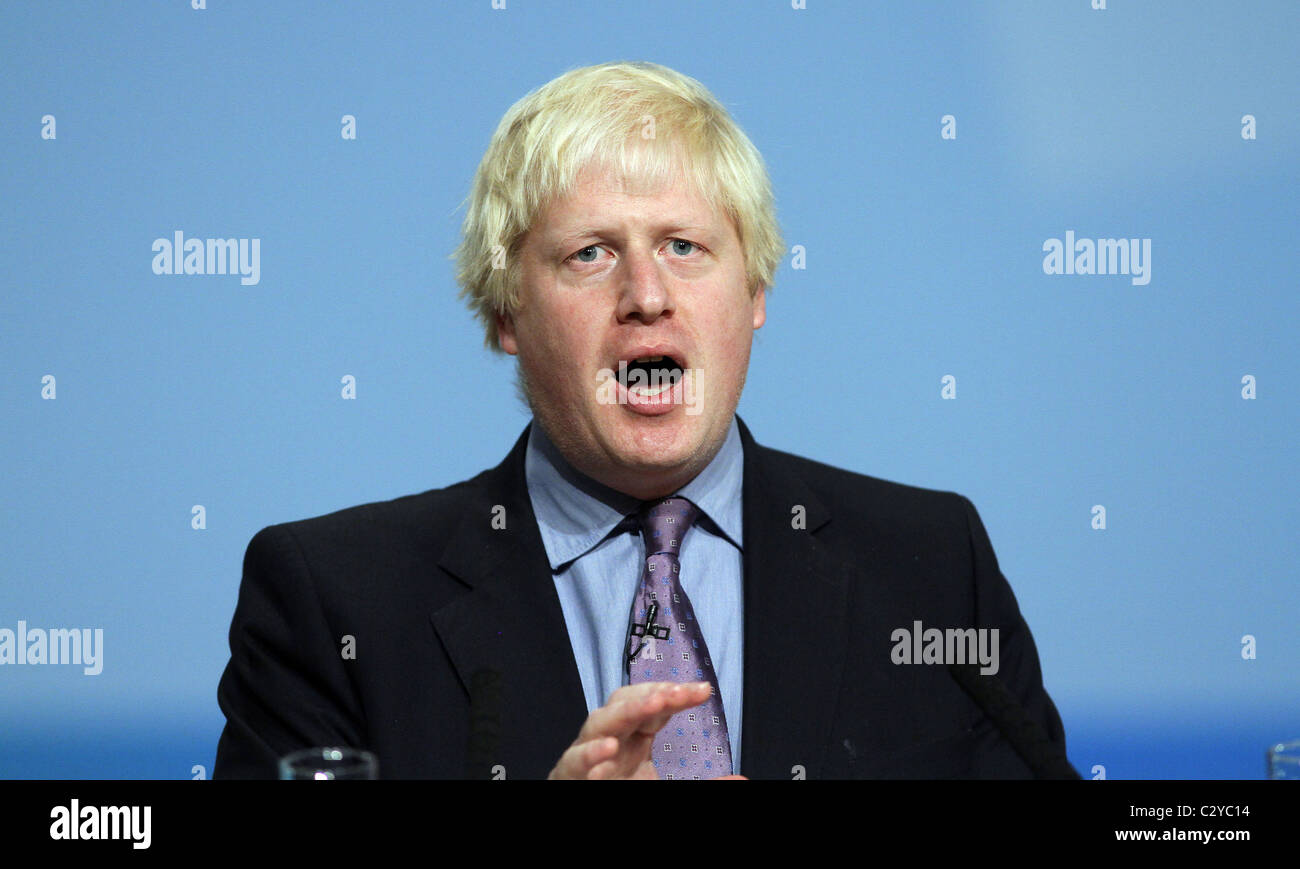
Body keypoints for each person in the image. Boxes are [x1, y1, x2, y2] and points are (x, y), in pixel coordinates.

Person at [214, 61, 1073, 780]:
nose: (647, 296)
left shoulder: (930, 564)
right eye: (590, 253)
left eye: (684, 246)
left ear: (757, 290)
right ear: (505, 314)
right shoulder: (333, 602)